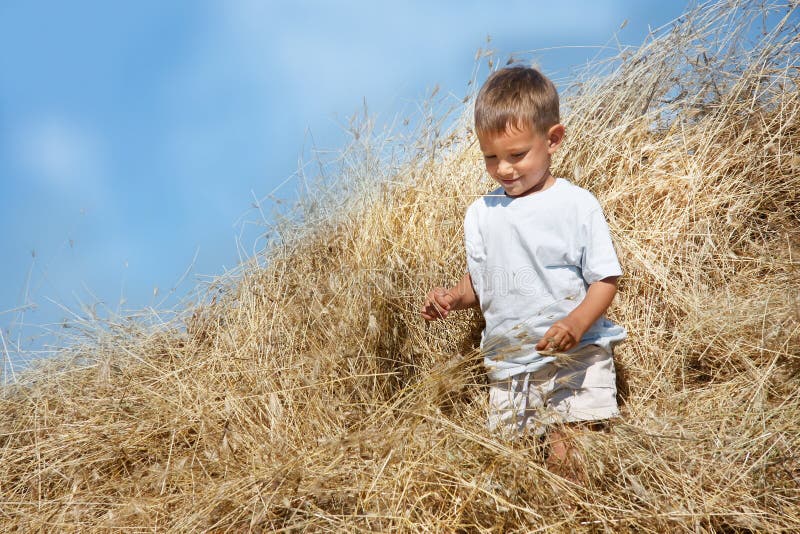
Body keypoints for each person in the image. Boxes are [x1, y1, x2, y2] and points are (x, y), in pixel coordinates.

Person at [421, 66, 626, 480]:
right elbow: (482, 281)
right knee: (517, 474)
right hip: (508, 364)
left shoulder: (575, 205)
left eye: (517, 155)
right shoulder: (482, 212)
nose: (503, 169)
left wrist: (576, 322)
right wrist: (453, 298)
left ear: (552, 140)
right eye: (490, 158)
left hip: (574, 356)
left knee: (569, 464)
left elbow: (606, 278)